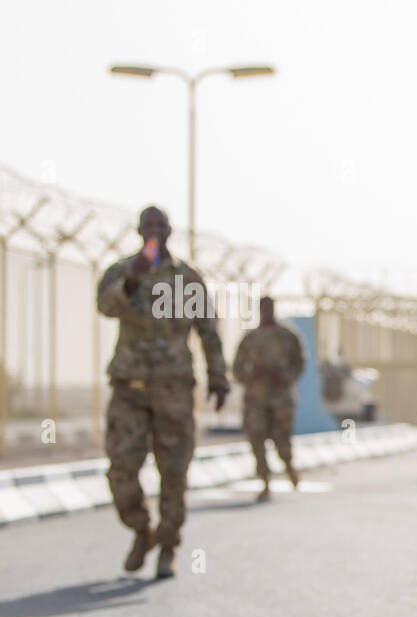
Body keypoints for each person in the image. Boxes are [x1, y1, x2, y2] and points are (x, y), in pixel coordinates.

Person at [96, 206, 229, 579]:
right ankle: (142, 530)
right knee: (121, 468)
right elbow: (104, 307)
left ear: (170, 231)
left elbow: (208, 330)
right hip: (129, 388)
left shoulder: (187, 279)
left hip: (174, 388)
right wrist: (131, 282)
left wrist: (218, 376)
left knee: (173, 470)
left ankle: (168, 545)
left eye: (160, 225)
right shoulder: (122, 272)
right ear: (139, 230)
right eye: (148, 225)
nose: (154, 230)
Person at [232, 297, 305, 502]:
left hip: (281, 397)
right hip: (256, 399)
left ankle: (289, 465)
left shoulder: (287, 337)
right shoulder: (250, 338)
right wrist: (251, 375)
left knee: (282, 441)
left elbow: (299, 363)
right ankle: (265, 482)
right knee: (257, 440)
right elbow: (237, 368)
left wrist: (284, 377)